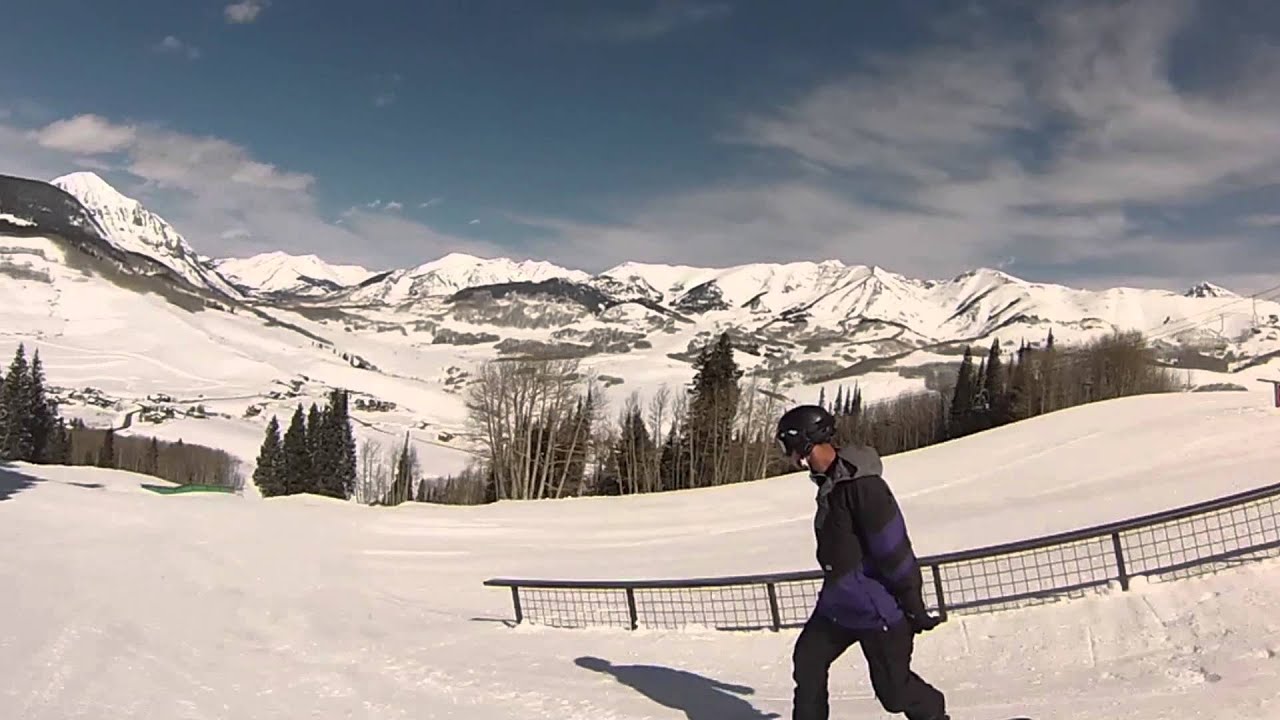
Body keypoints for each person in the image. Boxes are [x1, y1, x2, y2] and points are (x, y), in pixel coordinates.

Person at [775, 404, 947, 720]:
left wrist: (913, 604)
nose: (786, 454)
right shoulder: (830, 483)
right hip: (837, 606)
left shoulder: (863, 488)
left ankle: (934, 713)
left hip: (876, 611)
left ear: (804, 441)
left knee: (894, 696)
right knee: (809, 662)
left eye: (786, 444)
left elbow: (893, 549)